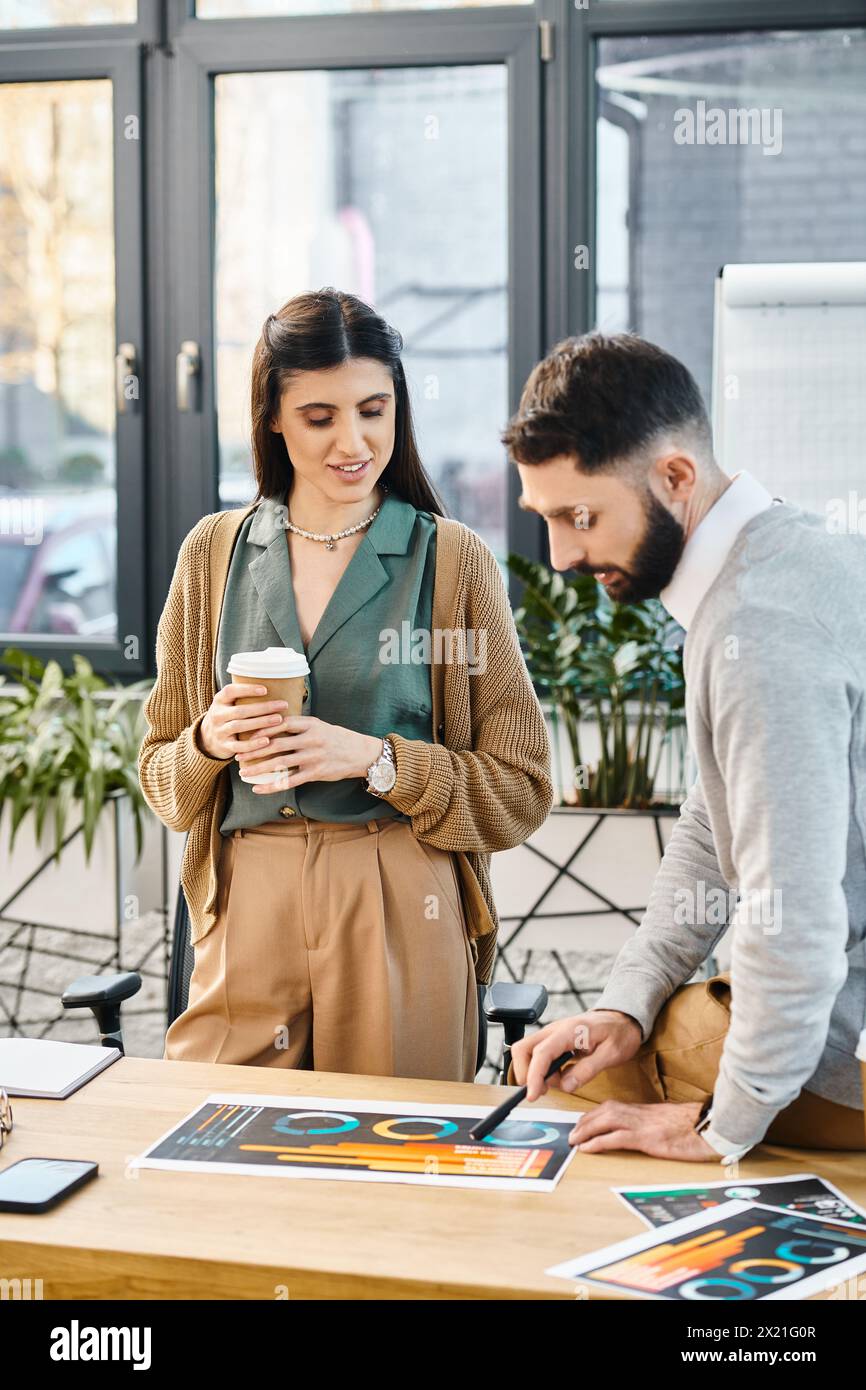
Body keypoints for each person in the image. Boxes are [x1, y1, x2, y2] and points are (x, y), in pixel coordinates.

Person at [139, 288, 553, 1082]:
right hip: (246, 894)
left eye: (373, 409)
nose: (354, 441)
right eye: (319, 417)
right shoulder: (214, 555)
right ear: (273, 419)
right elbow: (164, 781)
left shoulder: (451, 561)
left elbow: (522, 789)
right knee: (213, 1149)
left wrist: (376, 761)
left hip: (398, 892)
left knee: (397, 1163)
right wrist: (206, 742)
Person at [504, 331, 866, 1162]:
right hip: (837, 1001)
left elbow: (796, 916)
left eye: (579, 515)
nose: (560, 555)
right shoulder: (784, 558)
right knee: (605, 1049)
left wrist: (722, 1126)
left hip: (847, 1044)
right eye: (546, 518)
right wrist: (626, 1004)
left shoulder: (760, 627)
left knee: (575, 1100)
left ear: (675, 477)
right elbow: (711, 834)